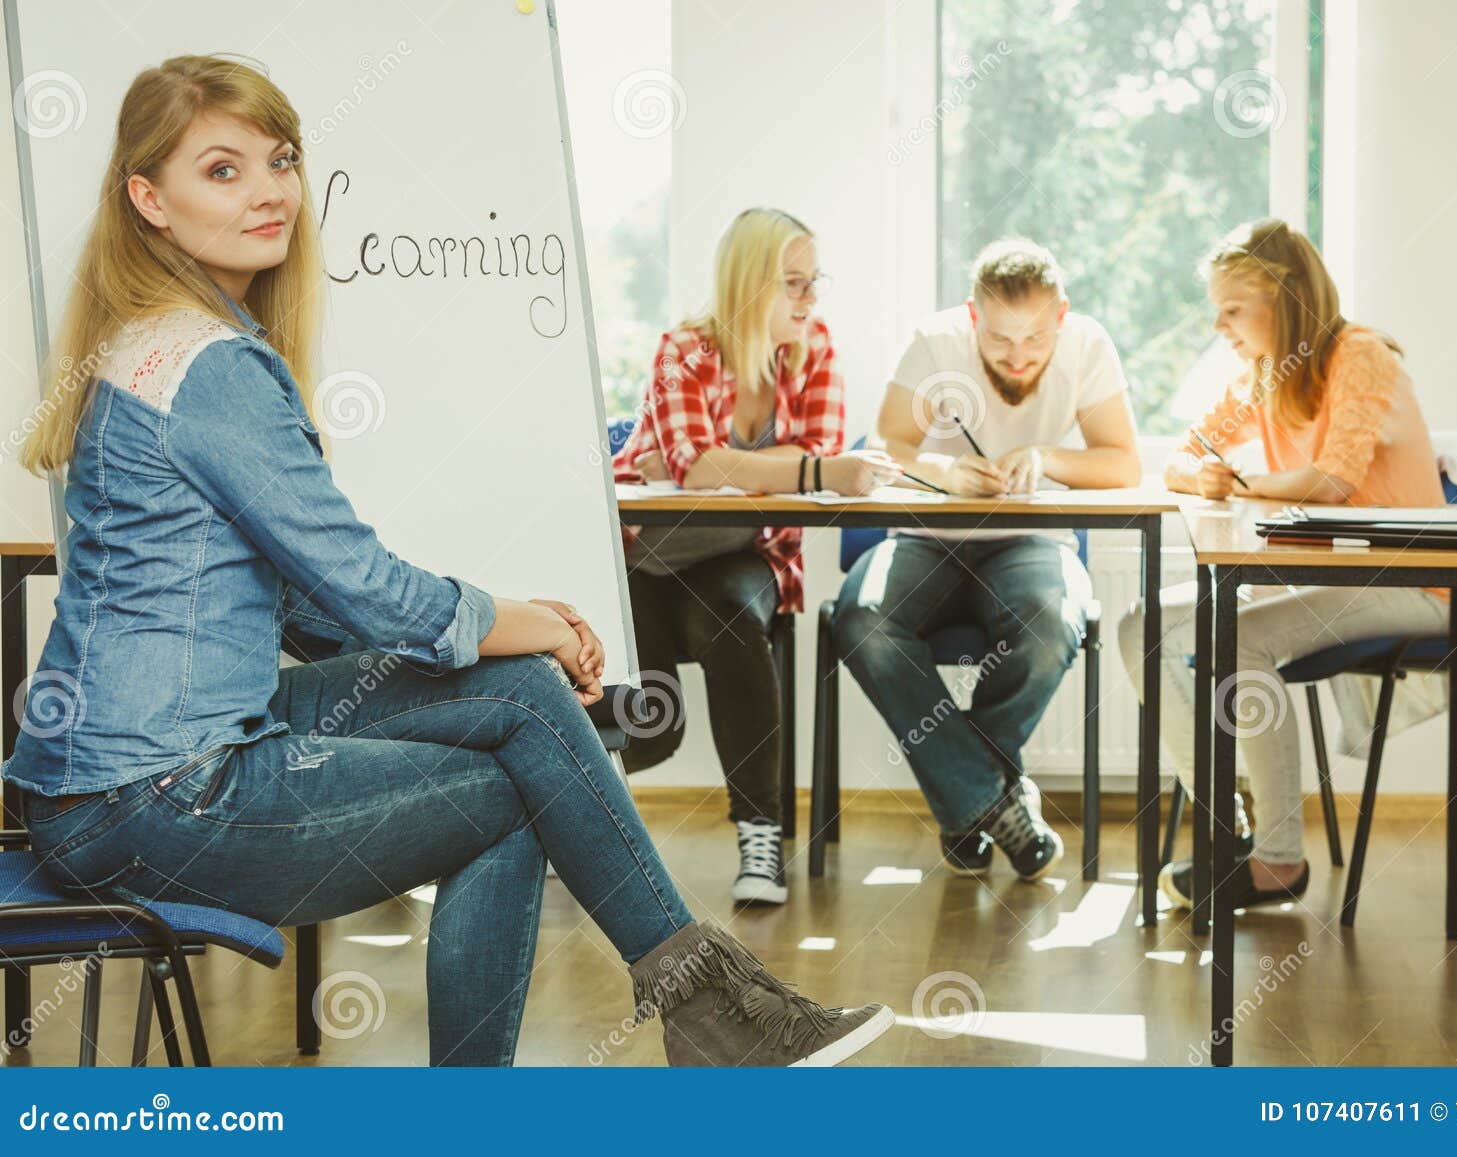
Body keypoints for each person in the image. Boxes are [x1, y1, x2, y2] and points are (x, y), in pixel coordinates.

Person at [3, 55, 891, 1067]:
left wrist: (513, 637)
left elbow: (304, 605)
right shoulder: (211, 367)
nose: (268, 191)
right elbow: (364, 591)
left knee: (521, 692)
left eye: (281, 160)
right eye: (222, 169)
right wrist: (532, 619)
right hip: (154, 797)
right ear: (149, 199)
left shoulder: (160, 340)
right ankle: (631, 1048)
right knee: (514, 793)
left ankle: (706, 1014)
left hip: (133, 773)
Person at [1118, 217, 1451, 910]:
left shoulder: (1361, 355)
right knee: (1141, 626)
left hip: (1410, 581)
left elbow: (1332, 479)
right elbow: (1183, 455)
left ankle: (1278, 860)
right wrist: (1202, 475)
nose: (1219, 327)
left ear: (1286, 300)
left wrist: (1239, 483)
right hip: (1331, 580)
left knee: (1239, 640)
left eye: (1233, 310)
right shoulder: (1265, 375)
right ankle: (1225, 825)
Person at [613, 207, 900, 905]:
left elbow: (735, 460)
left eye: (815, 280)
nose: (810, 298)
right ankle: (559, 813)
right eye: (793, 283)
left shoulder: (814, 348)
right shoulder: (682, 349)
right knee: (653, 727)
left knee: (735, 622)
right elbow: (706, 466)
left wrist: (721, 463)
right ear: (749, 285)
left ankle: (759, 836)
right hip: (645, 557)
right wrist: (790, 468)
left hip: (741, 554)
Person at [832, 238, 1140, 881]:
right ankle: (997, 802)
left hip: (1032, 542)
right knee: (861, 619)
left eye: (1035, 340)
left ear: (1062, 316)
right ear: (973, 316)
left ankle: (966, 805)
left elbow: (1123, 464)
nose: (1018, 357)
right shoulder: (934, 343)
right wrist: (945, 473)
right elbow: (887, 445)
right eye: (999, 339)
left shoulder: (1088, 345)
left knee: (1050, 624)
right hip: (925, 538)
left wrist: (1047, 458)